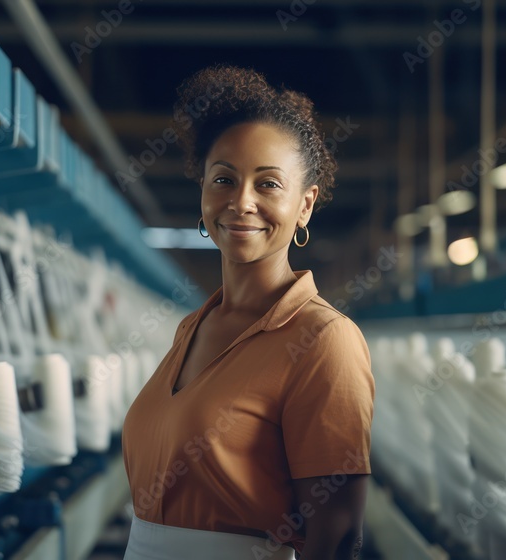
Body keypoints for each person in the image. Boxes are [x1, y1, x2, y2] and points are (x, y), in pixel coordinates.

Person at [121, 65, 375, 560]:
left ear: (304, 206)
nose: (241, 202)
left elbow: (339, 537)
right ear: (203, 191)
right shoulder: (191, 327)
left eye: (268, 185)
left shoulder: (323, 339)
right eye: (224, 179)